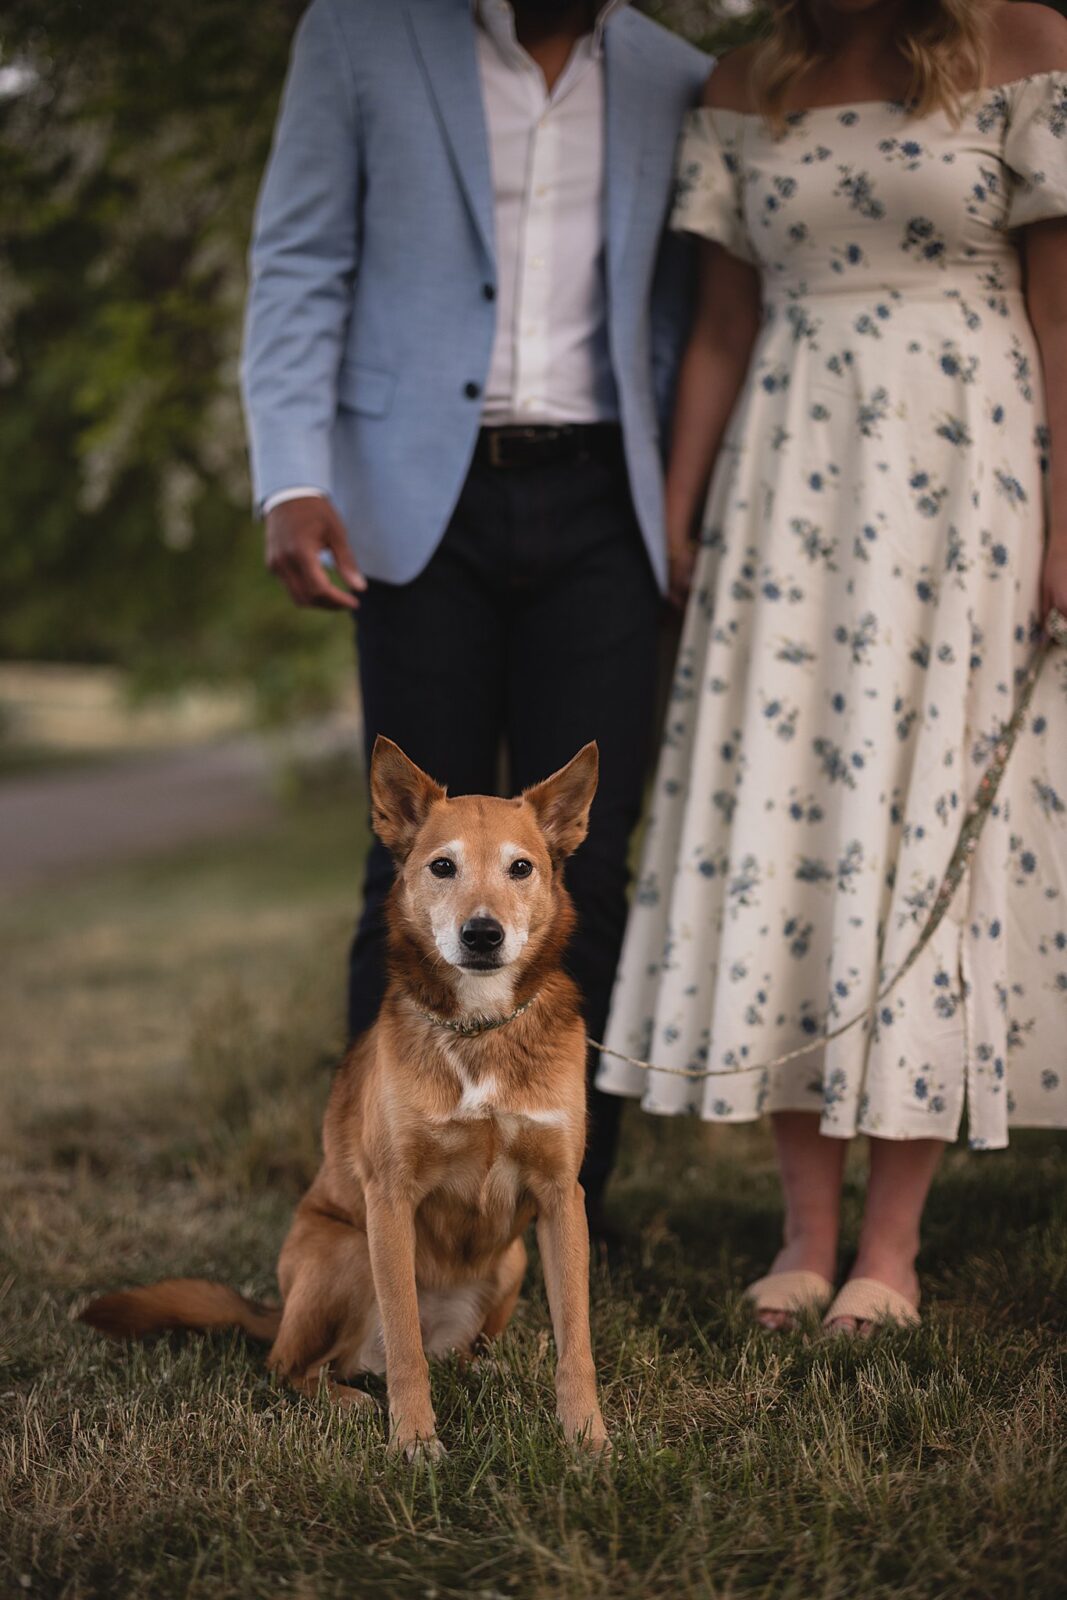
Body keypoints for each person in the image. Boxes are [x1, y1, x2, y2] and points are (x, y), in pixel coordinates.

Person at [597, 0, 1067, 1328]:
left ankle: (891, 1251)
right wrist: (677, 520)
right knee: (788, 839)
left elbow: (1058, 314)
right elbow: (718, 332)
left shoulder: (1025, 47)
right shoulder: (746, 76)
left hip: (961, 477)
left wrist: (1062, 526)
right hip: (783, 489)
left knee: (918, 830)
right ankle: (803, 1237)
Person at [240, 0, 708, 1233]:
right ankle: (371, 1200)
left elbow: (686, 308)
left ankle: (561, 1214)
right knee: (405, 860)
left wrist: (685, 503)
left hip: (605, 502)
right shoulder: (357, 36)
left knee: (579, 867)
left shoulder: (675, 73)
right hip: (413, 504)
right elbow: (298, 256)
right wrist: (291, 472)